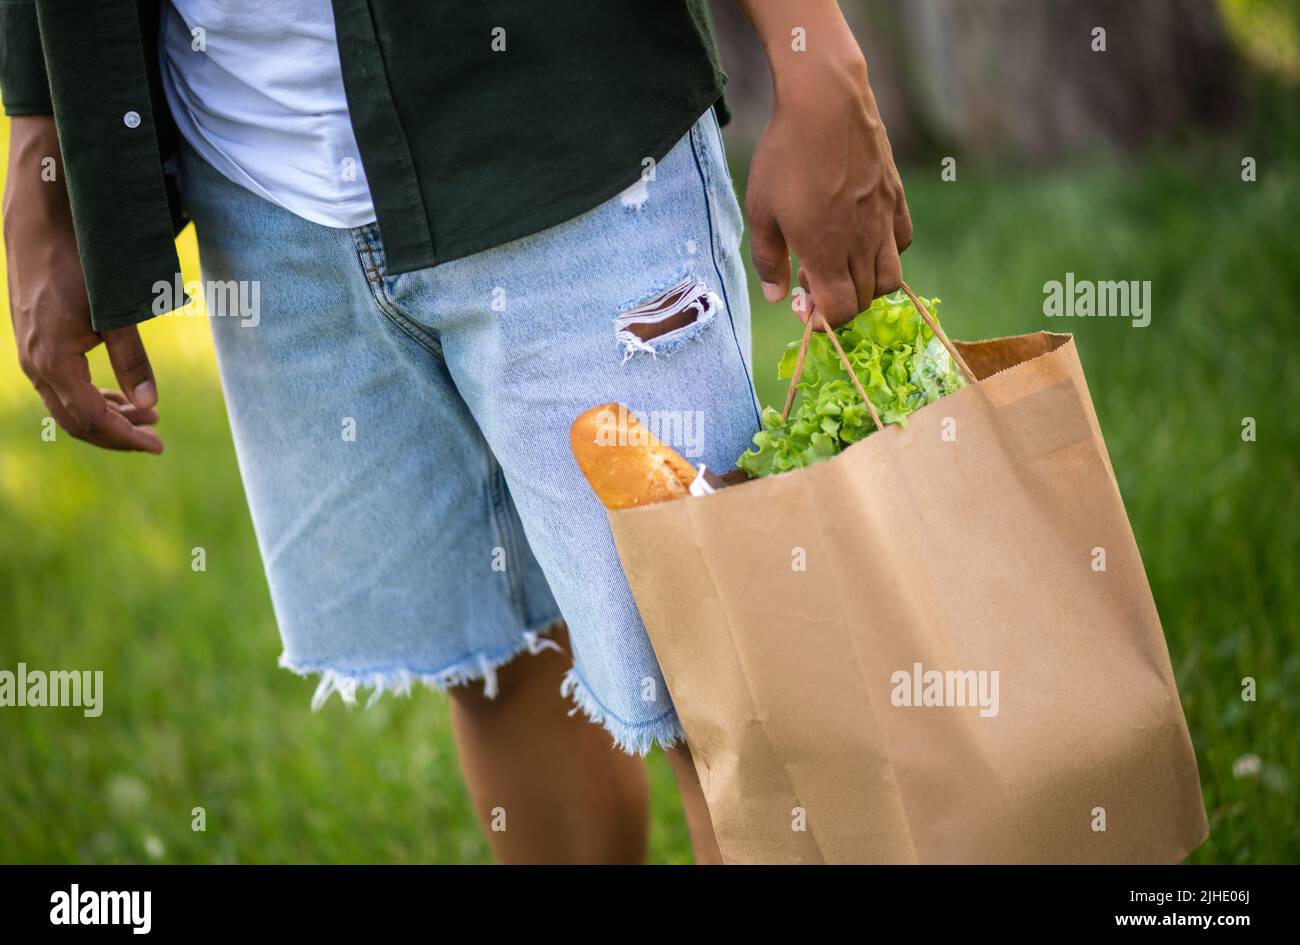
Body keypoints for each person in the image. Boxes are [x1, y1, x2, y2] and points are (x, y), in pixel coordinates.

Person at [1, 0, 910, 864]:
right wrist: (42, 146)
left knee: (725, 692)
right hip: (260, 181)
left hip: (561, 130)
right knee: (495, 654)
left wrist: (814, 49)